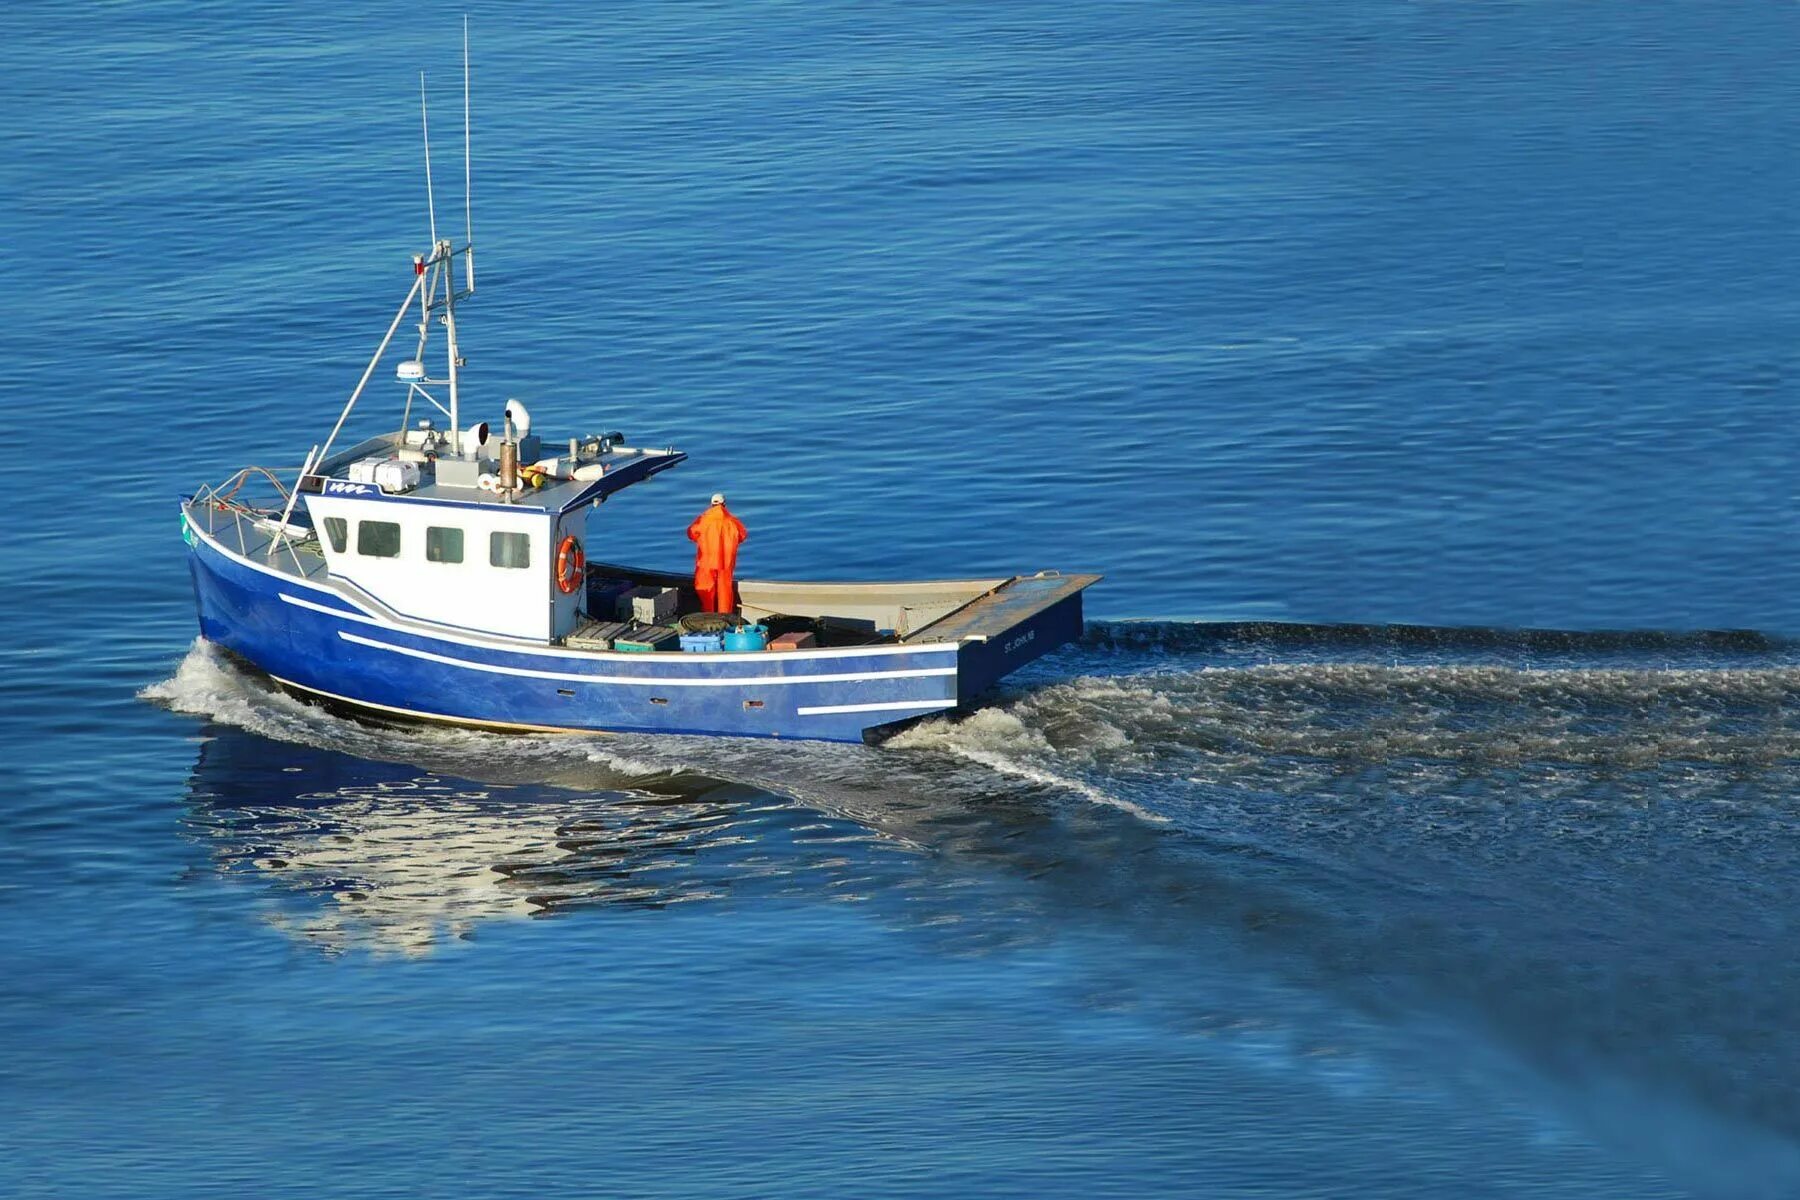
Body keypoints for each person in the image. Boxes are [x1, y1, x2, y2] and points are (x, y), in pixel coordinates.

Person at [687, 492, 748, 613]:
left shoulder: (703, 519)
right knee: (725, 590)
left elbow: (691, 533)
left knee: (705, 588)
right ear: (724, 504)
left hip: (706, 560)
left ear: (711, 505)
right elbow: (742, 535)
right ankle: (724, 616)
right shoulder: (733, 521)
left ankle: (708, 614)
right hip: (726, 561)